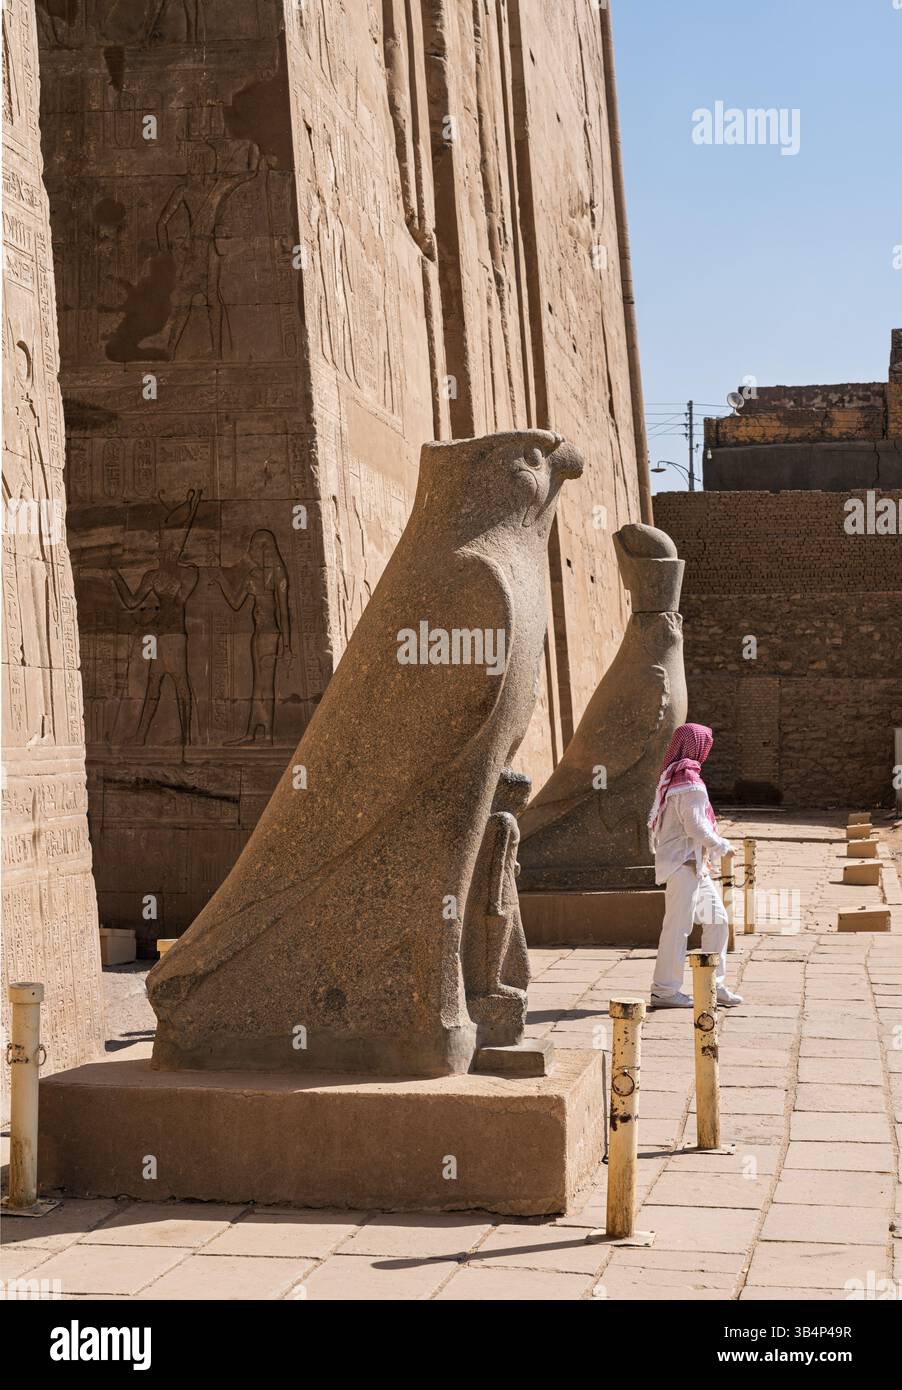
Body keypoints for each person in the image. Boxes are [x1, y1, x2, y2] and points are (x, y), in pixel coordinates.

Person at [648, 723, 743, 1009]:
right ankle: (664, 991)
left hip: (694, 866)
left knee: (717, 921)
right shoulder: (687, 779)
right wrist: (721, 845)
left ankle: (713, 984)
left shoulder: (676, 776)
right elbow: (695, 825)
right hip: (682, 865)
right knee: (678, 928)